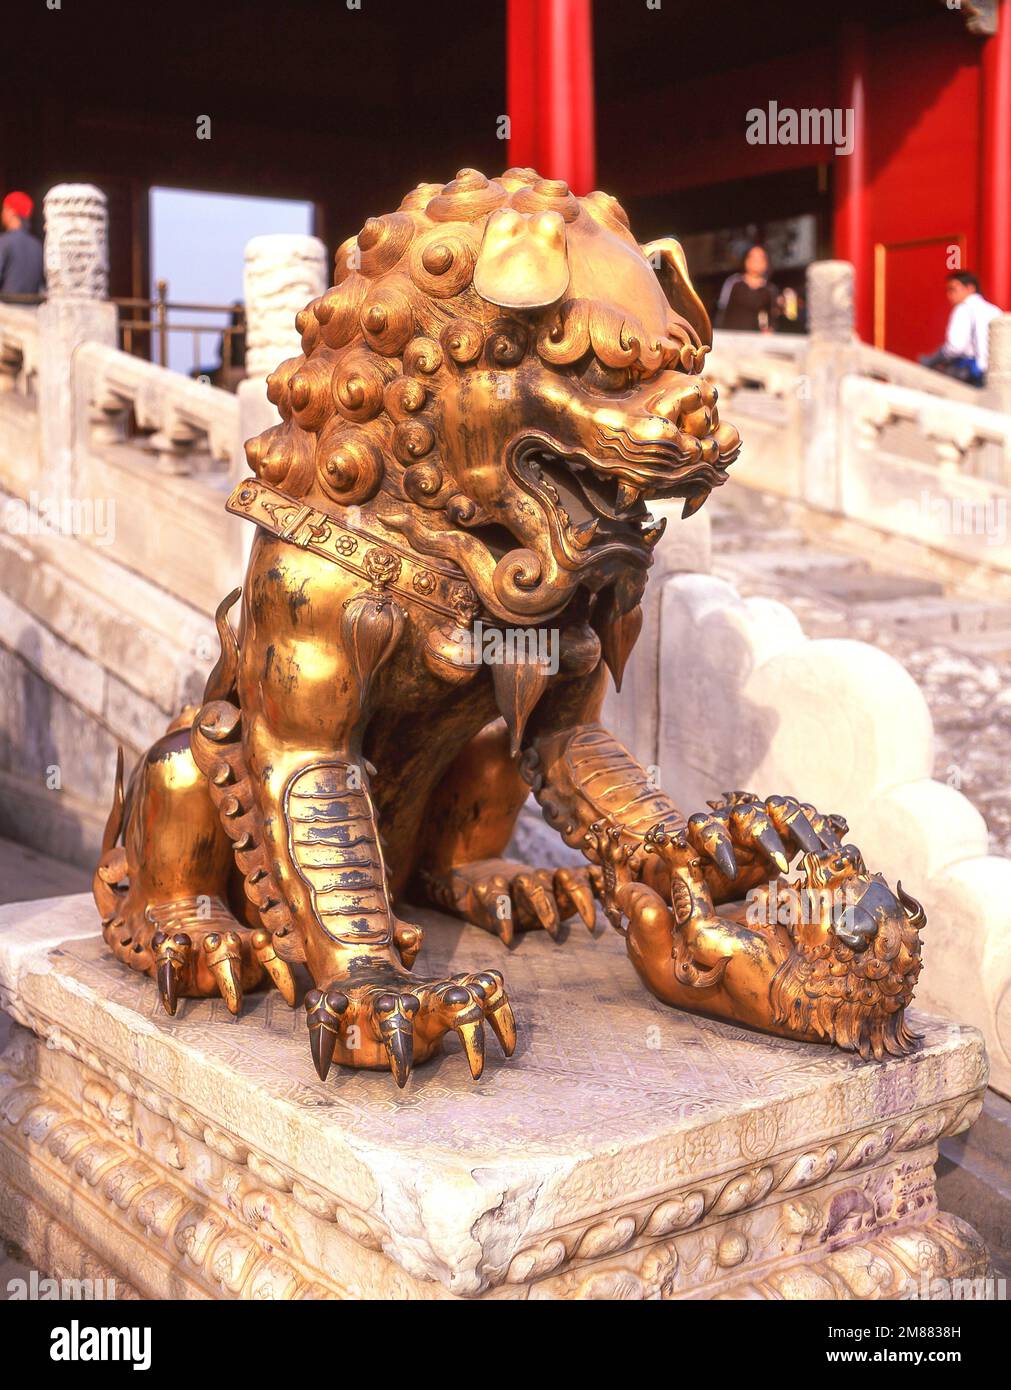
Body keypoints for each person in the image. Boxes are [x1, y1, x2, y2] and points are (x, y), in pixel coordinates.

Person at [920, 271, 1002, 387]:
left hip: (971, 374)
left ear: (970, 288)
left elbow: (955, 347)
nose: (949, 295)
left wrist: (934, 359)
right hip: (993, 373)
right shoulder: (994, 310)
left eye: (953, 289)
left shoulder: (963, 309)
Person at [715, 245, 779, 332]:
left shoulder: (770, 290)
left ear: (766, 263)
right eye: (752, 257)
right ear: (746, 261)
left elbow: (772, 317)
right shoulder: (733, 283)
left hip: (756, 340)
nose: (756, 261)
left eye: (760, 258)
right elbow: (721, 310)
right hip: (731, 337)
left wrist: (769, 330)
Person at [0, 191, 45, 299]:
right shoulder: (38, 246)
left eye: (3, 209)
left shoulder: (4, 242)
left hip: (6, 311)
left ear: (10, 212)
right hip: (31, 312)